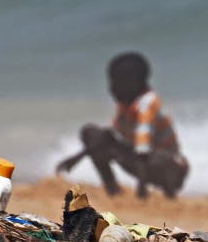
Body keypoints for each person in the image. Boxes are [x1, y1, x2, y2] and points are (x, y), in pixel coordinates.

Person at [56, 52, 189, 199]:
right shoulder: (126, 103)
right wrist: (77, 158)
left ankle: (168, 194)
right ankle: (113, 191)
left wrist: (141, 189)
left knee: (155, 158)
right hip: (142, 162)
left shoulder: (147, 104)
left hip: (169, 168)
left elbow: (142, 149)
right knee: (91, 133)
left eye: (117, 82)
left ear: (133, 82)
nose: (112, 87)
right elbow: (108, 137)